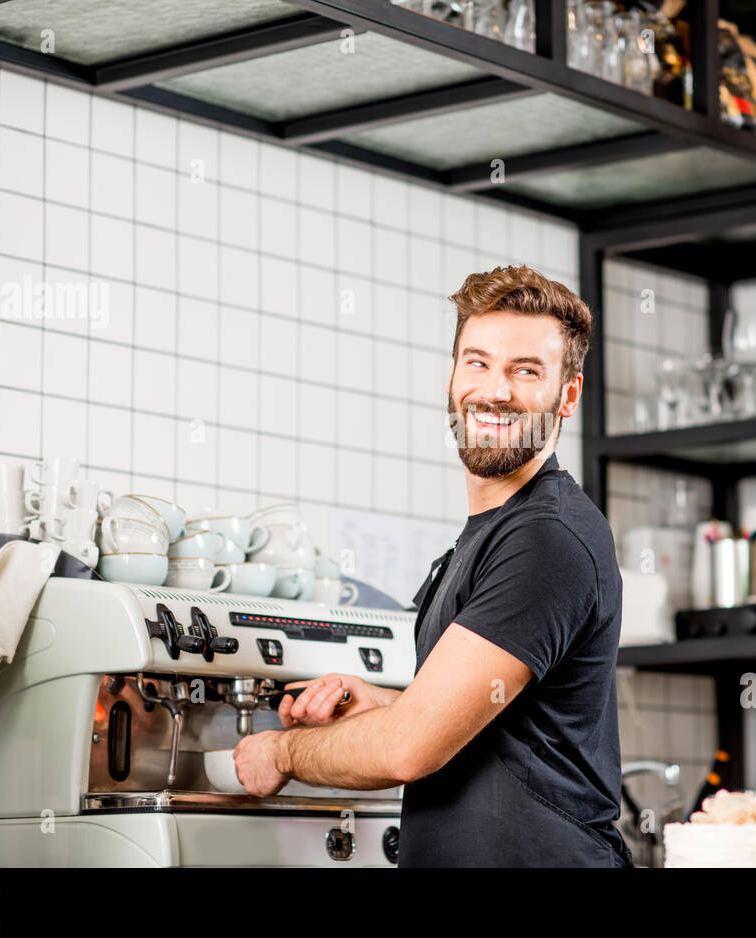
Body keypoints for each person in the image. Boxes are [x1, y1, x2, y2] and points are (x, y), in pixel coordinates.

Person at [234, 264, 632, 867]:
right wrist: (385, 707)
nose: (495, 390)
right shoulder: (494, 534)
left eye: (526, 371)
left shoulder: (546, 537)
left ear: (567, 395)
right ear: (452, 376)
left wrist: (283, 754)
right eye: (478, 362)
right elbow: (489, 736)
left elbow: (410, 751)